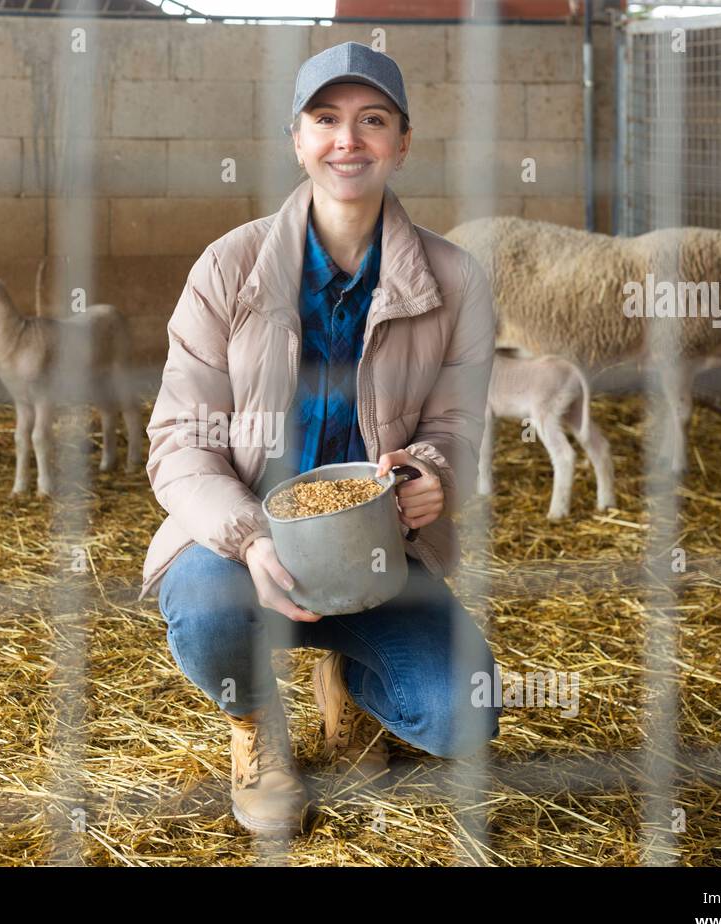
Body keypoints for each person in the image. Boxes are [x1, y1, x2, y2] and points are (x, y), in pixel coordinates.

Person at [139, 41, 501, 838]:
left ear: (401, 143)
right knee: (203, 610)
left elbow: (456, 427)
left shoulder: (457, 280)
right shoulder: (227, 268)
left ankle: (352, 674)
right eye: (326, 120)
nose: (349, 140)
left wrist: (434, 471)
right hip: (244, 547)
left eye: (373, 120)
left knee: (463, 717)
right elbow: (179, 439)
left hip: (381, 553)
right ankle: (257, 725)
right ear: (296, 139)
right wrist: (248, 537)